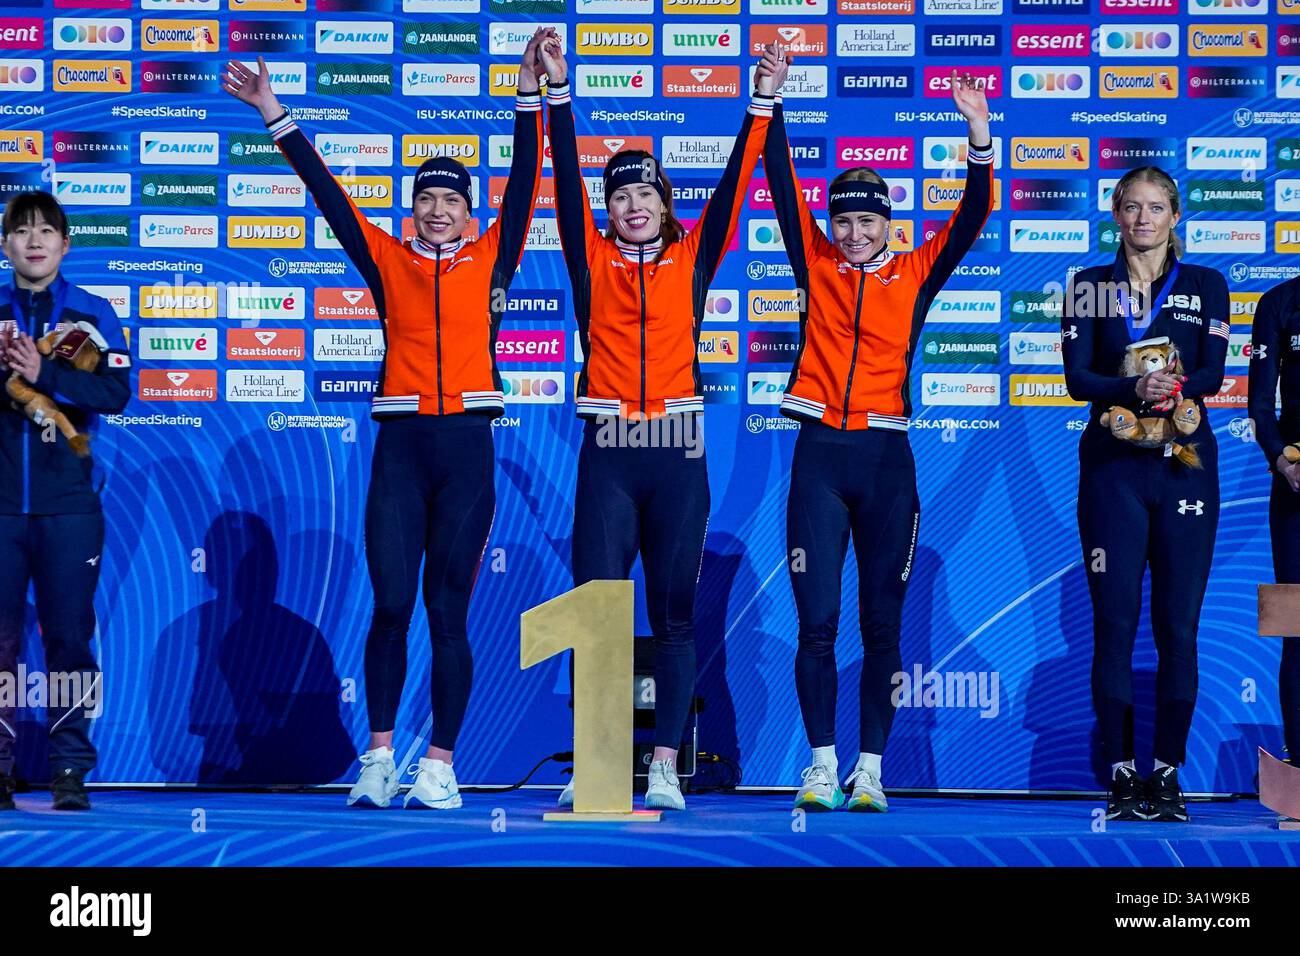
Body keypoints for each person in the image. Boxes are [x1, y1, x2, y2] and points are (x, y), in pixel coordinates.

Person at [222, 34, 545, 810]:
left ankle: (439, 762)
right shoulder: (386, 260)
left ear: (471, 215)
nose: (438, 211)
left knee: (447, 613)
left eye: (452, 201)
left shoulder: (492, 259)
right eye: (427, 199)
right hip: (399, 447)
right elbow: (329, 195)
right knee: (392, 605)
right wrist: (274, 114)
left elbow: (531, 183)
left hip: (466, 448)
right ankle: (378, 757)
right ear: (414, 210)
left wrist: (530, 96)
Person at [538, 35, 773, 811]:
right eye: (620, 196)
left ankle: (666, 766)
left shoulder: (696, 258)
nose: (633, 205)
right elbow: (564, 186)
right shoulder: (588, 261)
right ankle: (599, 768)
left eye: (647, 195)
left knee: (672, 617)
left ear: (667, 205)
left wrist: (761, 101)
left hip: (677, 447)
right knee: (598, 612)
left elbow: (739, 182)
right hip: (610, 446)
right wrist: (559, 93)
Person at [759, 46, 995, 813]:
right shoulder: (817, 263)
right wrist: (775, 99)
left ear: (889, 224)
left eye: (868, 220)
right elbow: (782, 186)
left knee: (882, 627)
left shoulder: (915, 270)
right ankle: (821, 765)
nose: (854, 232)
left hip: (888, 457)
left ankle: (870, 768)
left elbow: (969, 218)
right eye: (845, 220)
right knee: (818, 623)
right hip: (820, 455)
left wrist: (978, 136)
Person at [1062, 167, 1228, 822]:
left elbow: (1214, 372)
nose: (1143, 220)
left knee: (1178, 628)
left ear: (1175, 216)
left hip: (1184, 467)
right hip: (1113, 472)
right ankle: (1124, 774)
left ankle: (1168, 773)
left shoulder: (1205, 285)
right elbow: (1078, 379)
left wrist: (1176, 389)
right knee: (1115, 625)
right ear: (1115, 212)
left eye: (1156, 208)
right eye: (1131, 207)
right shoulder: (1089, 288)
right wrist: (1135, 390)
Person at [0, 190, 132, 811]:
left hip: (70, 508)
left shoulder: (92, 313)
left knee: (70, 640)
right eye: (21, 231)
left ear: (64, 243)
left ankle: (70, 770)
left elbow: (113, 394)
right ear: (5, 245)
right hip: (1, 509)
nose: (33, 240)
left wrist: (43, 373)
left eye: (45, 231)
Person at [1247, 278, 1300, 770]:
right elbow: (1261, 404)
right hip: (1296, 484)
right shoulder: (1280, 303)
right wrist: (1282, 462)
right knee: (1298, 626)